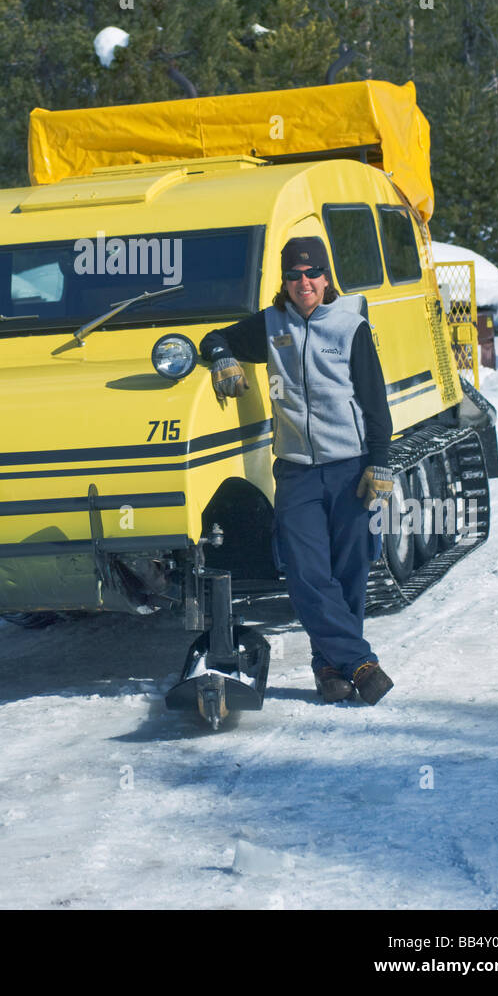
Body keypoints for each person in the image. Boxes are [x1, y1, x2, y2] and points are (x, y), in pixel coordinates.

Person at [199, 235, 395, 706]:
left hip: (350, 470)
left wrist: (380, 462)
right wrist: (223, 358)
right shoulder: (270, 325)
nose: (303, 282)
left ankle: (328, 668)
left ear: (326, 278)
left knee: (350, 570)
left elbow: (374, 402)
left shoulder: (351, 326)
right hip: (297, 472)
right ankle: (360, 663)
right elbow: (212, 338)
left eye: (311, 274)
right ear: (284, 282)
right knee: (307, 573)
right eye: (293, 275)